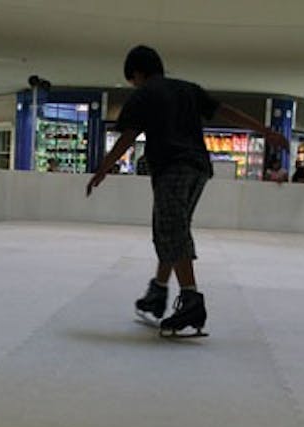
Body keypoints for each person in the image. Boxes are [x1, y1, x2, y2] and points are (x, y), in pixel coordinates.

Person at [86, 45, 287, 336]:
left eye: (132, 79)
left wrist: (103, 169)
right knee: (173, 227)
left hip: (172, 167)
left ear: (137, 74)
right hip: (199, 168)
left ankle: (191, 300)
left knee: (171, 230)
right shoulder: (187, 89)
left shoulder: (143, 94)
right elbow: (225, 111)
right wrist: (265, 130)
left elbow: (128, 137)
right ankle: (158, 291)